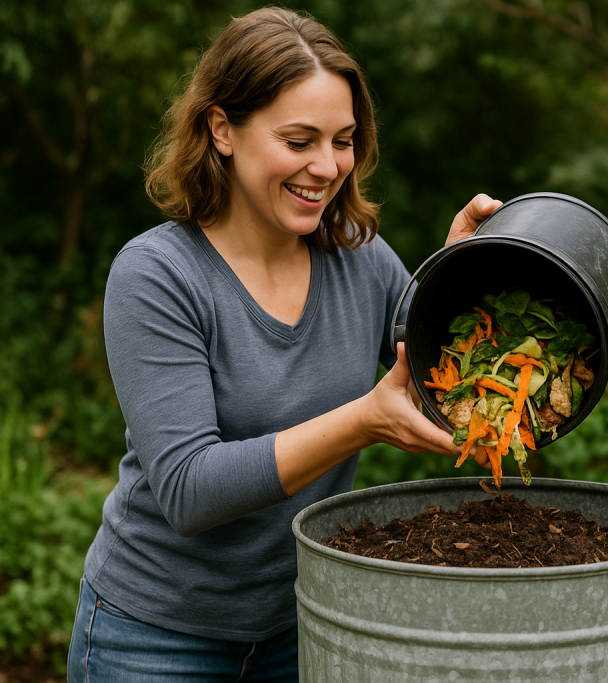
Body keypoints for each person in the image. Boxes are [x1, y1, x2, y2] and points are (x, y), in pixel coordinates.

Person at [66, 7, 499, 681]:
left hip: (302, 623)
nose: (327, 167)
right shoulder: (157, 276)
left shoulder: (361, 257)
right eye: (299, 141)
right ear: (222, 130)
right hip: (155, 638)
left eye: (344, 140)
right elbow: (189, 490)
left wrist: (453, 272)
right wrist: (362, 421)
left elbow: (437, 372)